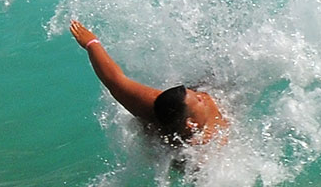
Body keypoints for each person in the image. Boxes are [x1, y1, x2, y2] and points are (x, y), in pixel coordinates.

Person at [68, 20, 228, 148]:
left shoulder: (152, 104)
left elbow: (115, 82)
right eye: (199, 99)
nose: (203, 96)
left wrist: (91, 43)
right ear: (191, 123)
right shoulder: (206, 150)